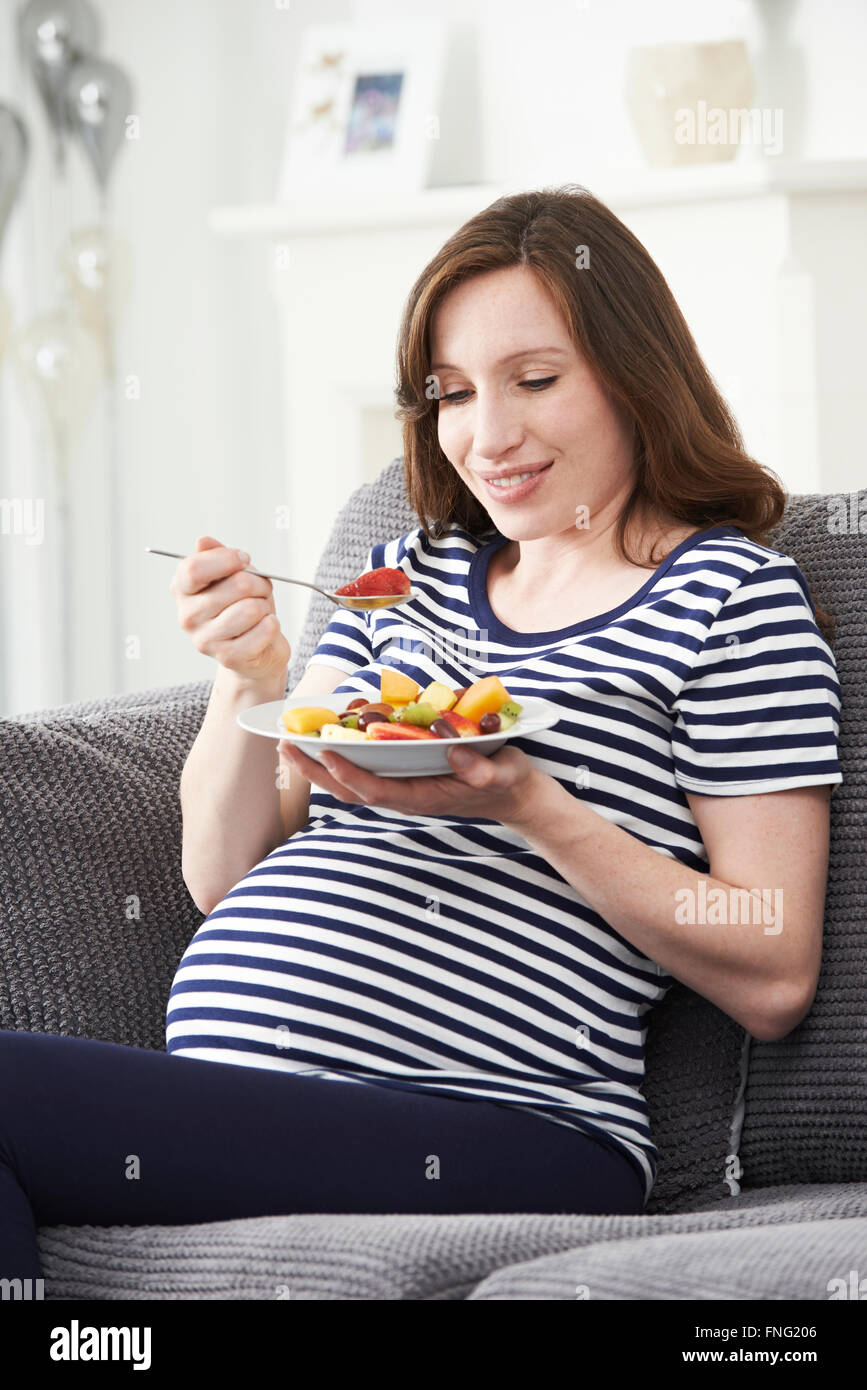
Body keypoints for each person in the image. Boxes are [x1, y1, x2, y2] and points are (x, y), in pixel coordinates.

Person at [0, 187, 842, 1283]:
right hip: (263, 1104)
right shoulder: (411, 576)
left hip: (516, 1129)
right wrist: (247, 674)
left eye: (535, 381)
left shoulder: (731, 600)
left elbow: (774, 971)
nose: (488, 436)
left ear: (636, 376)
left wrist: (533, 806)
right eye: (451, 394)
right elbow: (224, 872)